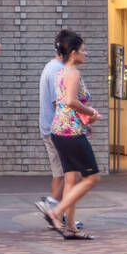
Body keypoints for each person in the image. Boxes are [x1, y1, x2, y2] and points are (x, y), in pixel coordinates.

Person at [37, 31, 101, 239]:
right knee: (92, 177)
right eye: (83, 50)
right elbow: (71, 101)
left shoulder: (60, 72)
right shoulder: (73, 73)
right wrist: (91, 112)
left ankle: (70, 227)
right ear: (73, 53)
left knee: (71, 179)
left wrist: (84, 116)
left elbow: (64, 104)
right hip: (71, 132)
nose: (86, 53)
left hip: (60, 130)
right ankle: (56, 211)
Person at [37, 30, 83, 228]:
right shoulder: (59, 70)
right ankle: (53, 207)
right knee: (74, 175)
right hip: (60, 129)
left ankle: (57, 214)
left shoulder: (50, 66)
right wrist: (85, 117)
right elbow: (62, 103)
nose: (85, 53)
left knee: (60, 173)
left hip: (49, 126)